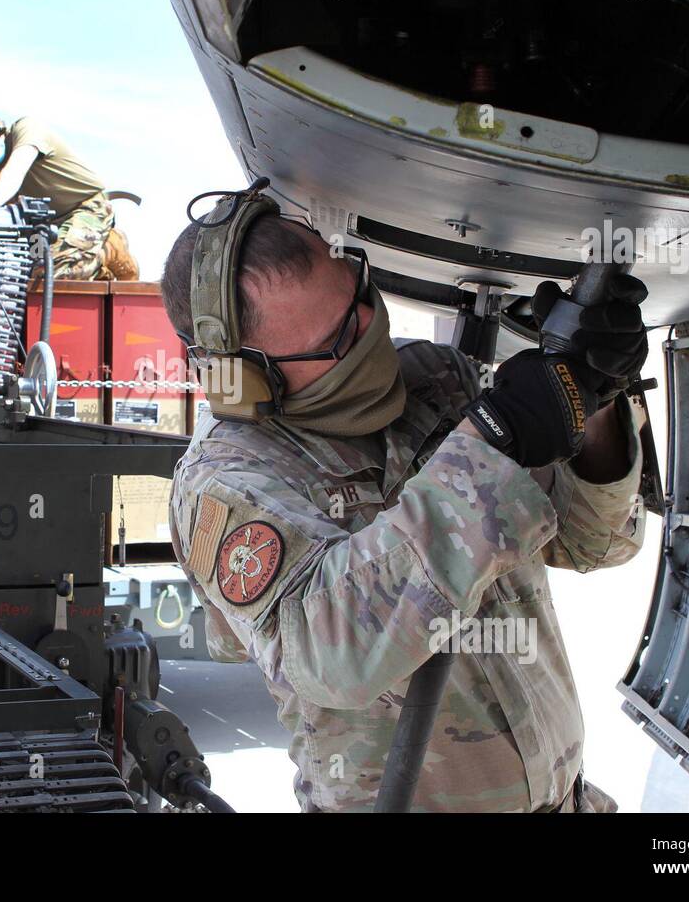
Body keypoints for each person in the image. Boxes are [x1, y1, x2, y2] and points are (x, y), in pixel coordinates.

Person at [160, 181, 650, 812]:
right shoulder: (226, 483)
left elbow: (595, 542)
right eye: (338, 337)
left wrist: (594, 395)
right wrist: (490, 446)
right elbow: (332, 652)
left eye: (363, 297)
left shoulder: (434, 380)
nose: (370, 331)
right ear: (247, 374)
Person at [0, 108, 135, 280]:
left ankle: (109, 248)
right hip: (40, 229)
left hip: (86, 207)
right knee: (28, 278)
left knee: (53, 274)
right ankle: (99, 272)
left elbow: (15, 170)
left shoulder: (26, 129)